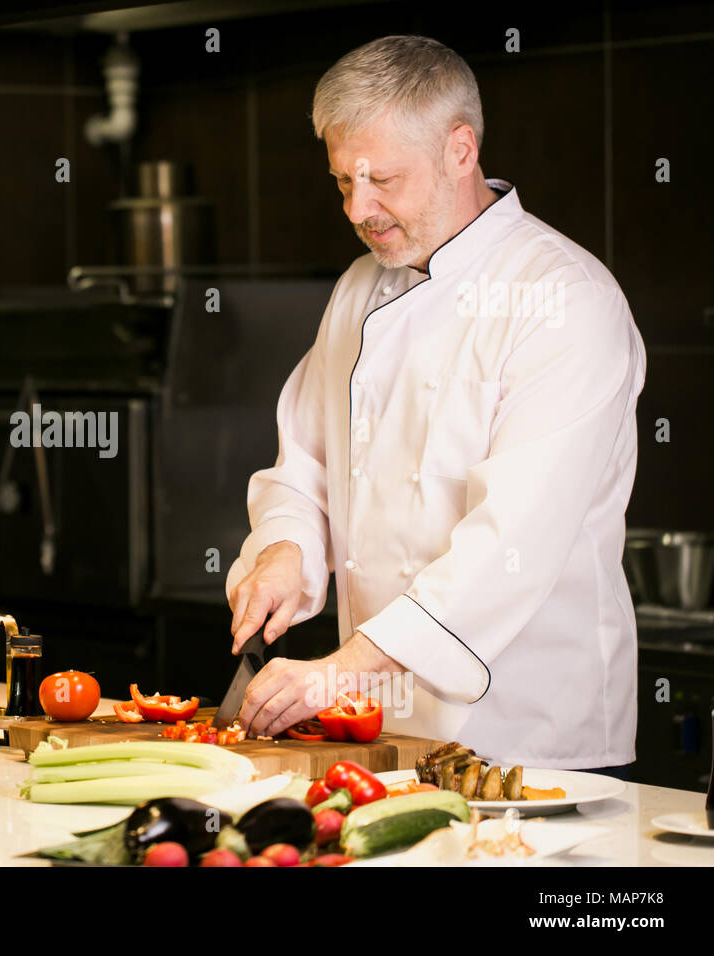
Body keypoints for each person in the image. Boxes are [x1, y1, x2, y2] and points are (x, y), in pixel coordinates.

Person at [226, 35, 645, 773]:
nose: (360, 209)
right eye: (342, 183)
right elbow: (306, 463)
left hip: (528, 741)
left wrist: (337, 672)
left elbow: (508, 547)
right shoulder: (360, 287)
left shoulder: (563, 299)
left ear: (460, 150)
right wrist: (287, 550)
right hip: (378, 733)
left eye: (383, 179)